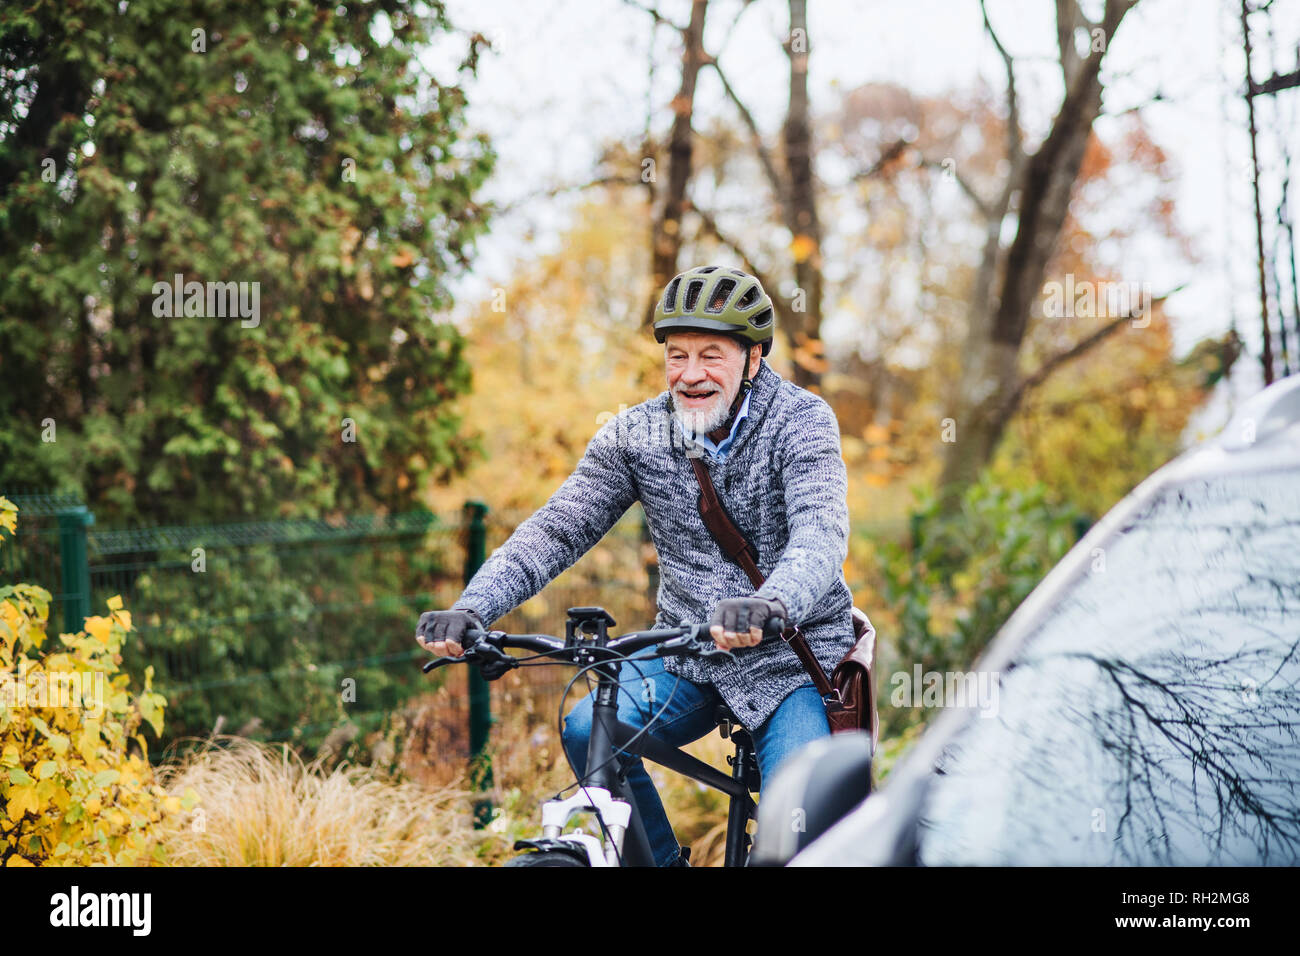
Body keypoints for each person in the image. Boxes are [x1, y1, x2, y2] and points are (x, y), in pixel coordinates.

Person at [415, 264, 866, 866]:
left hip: (791, 656)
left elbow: (820, 535)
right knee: (588, 729)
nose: (691, 374)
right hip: (689, 648)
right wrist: (473, 606)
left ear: (754, 358)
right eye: (677, 355)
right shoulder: (636, 434)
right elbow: (557, 528)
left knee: (800, 830)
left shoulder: (802, 421)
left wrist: (772, 604)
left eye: (711, 355)